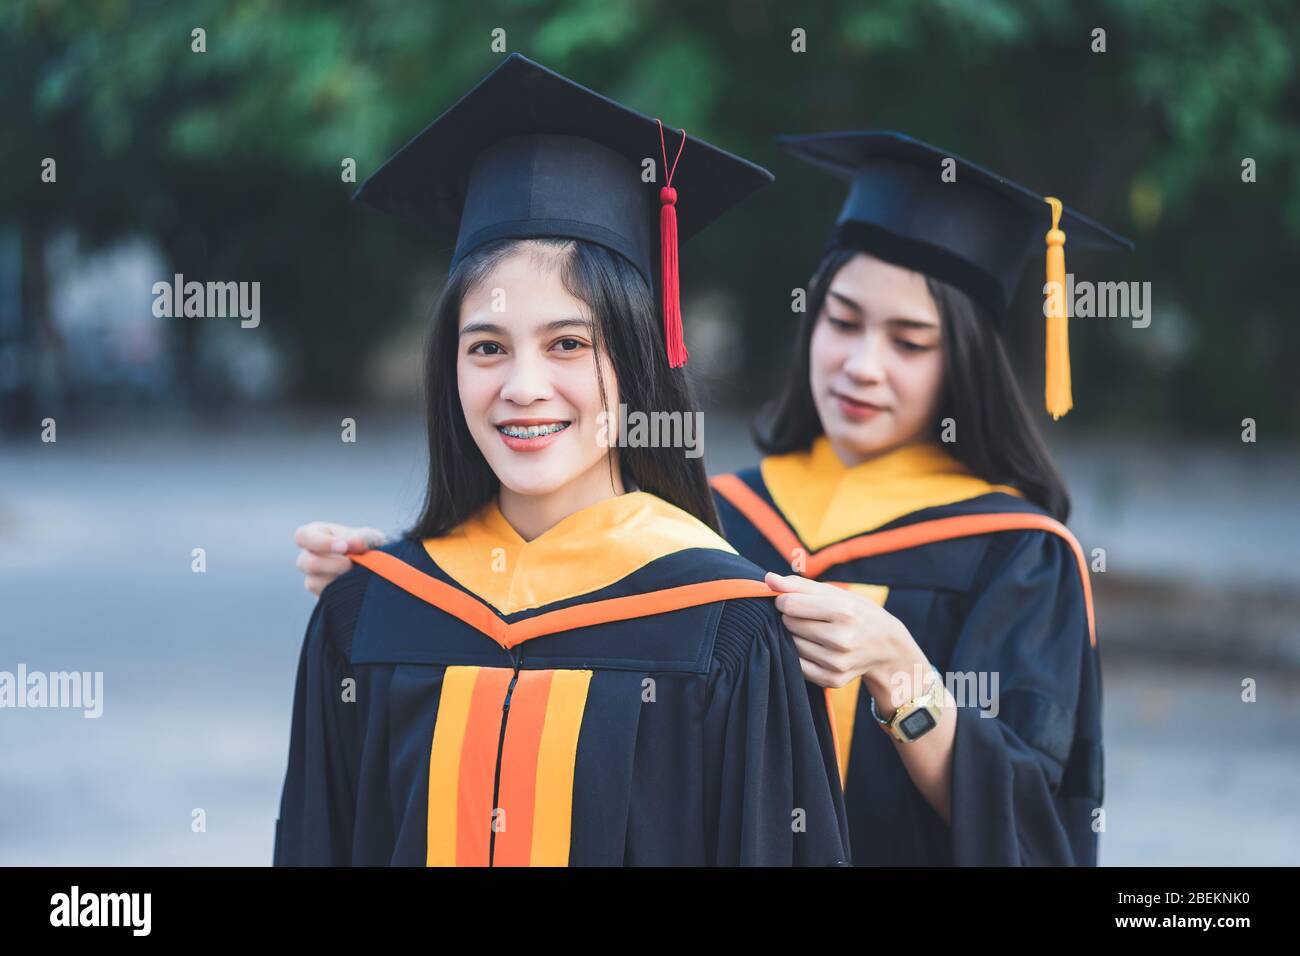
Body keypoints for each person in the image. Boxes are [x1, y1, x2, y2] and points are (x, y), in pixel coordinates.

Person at [293, 128, 1131, 865]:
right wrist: (408, 587)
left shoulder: (1014, 553)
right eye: (841, 322)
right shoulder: (725, 519)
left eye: (910, 340)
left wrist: (904, 677)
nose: (862, 365)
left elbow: (1039, 827)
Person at [273, 54, 851, 867]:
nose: (524, 387)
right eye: (486, 347)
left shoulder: (726, 628)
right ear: (449, 368)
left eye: (569, 344)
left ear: (642, 362)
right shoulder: (367, 616)